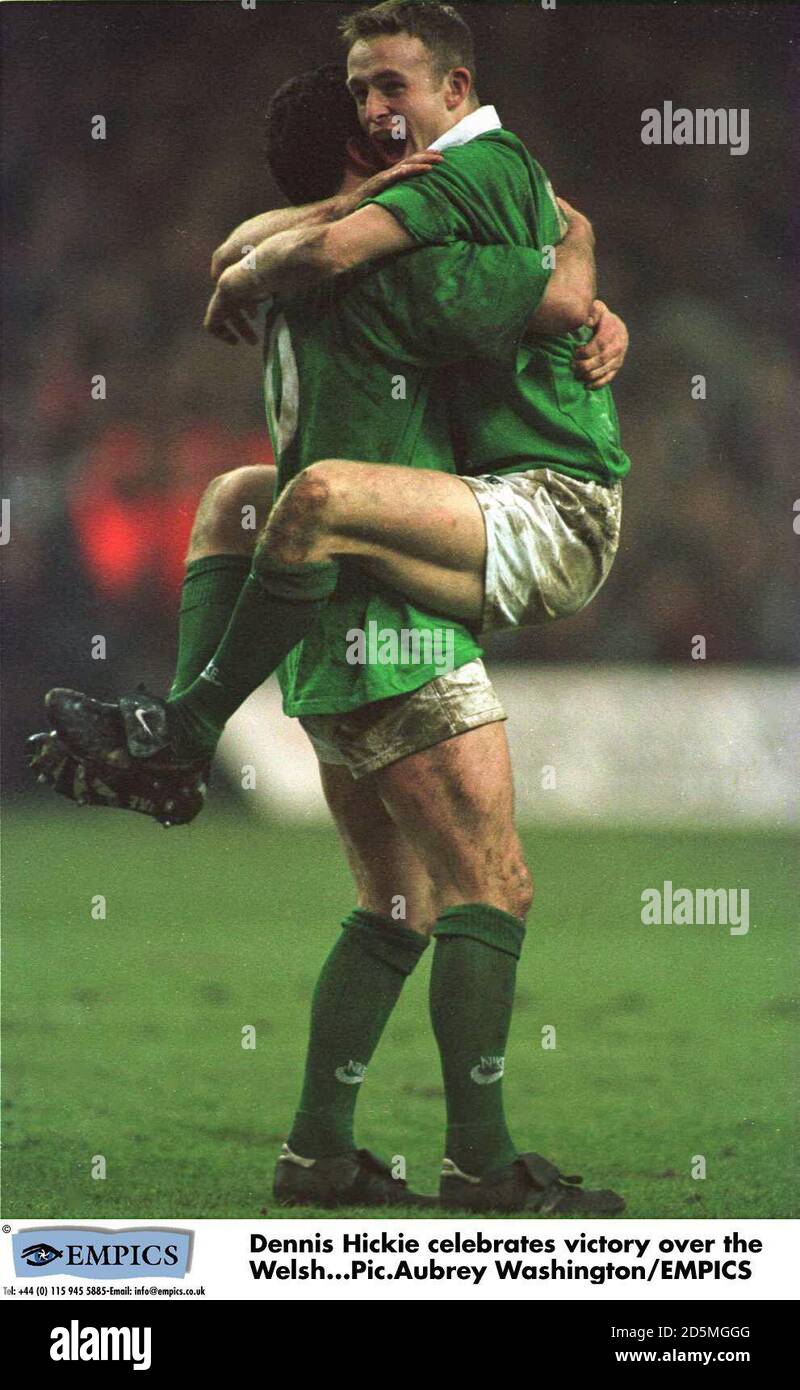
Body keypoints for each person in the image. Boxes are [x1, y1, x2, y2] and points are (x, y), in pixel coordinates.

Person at [35, 5, 629, 1214]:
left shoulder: (369, 229)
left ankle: (317, 1151)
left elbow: (280, 247)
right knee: (485, 886)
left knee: (392, 896)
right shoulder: (403, 264)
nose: (382, 117)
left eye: (391, 89)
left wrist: (248, 259)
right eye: (366, 102)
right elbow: (542, 277)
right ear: (375, 174)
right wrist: (577, 289)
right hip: (393, 608)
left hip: (322, 628)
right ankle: (482, 1166)